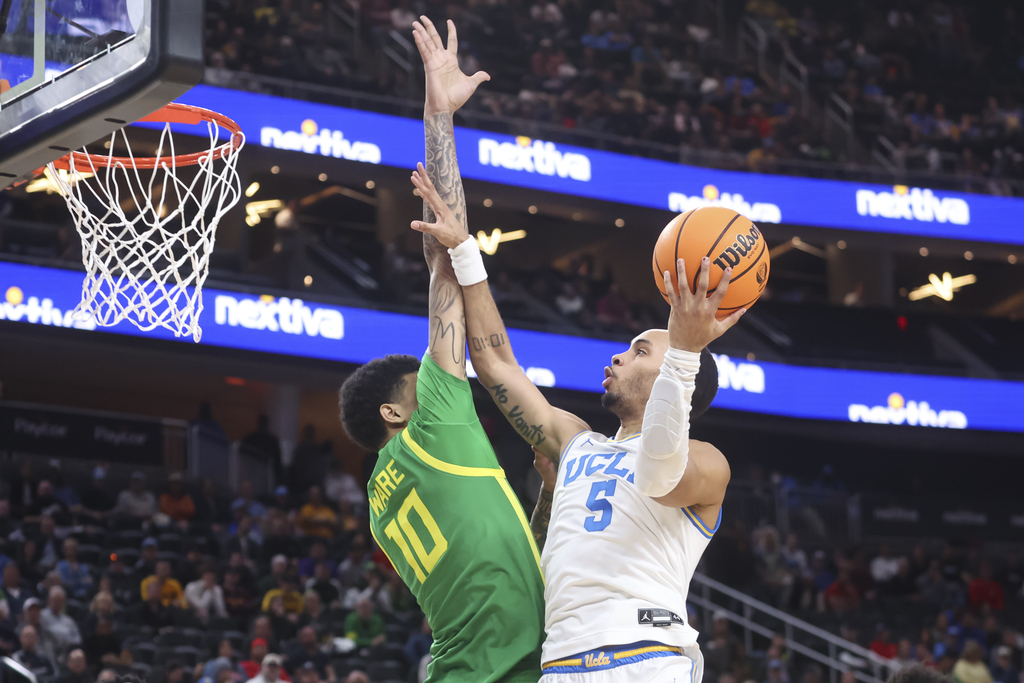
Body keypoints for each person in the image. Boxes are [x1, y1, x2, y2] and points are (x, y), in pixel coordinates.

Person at [408, 18, 737, 681]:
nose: (618, 356)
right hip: (562, 665)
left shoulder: (707, 464)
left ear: (679, 372)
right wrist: (464, 237)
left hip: (647, 660)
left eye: (638, 350)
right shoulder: (576, 440)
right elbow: (494, 361)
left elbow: (660, 472)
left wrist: (684, 349)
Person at [337, 17, 544, 683]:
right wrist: (439, 117)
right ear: (396, 413)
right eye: (423, 381)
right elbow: (444, 261)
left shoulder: (382, 498)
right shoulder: (430, 428)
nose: (442, 376)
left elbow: (486, 545)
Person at [40, 586, 82, 659]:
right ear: (49, 600)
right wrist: (64, 635)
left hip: (66, 653)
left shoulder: (68, 620)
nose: (57, 603)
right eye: (55, 600)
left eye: (60, 600)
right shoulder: (41, 616)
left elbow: (78, 639)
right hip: (46, 652)